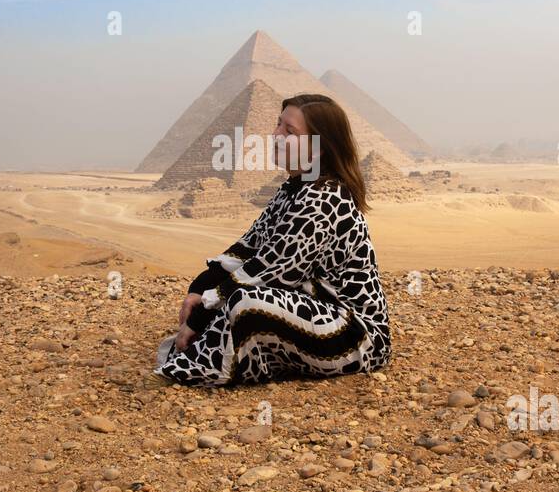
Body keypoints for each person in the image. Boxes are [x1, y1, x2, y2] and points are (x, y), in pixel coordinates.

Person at [154, 93, 392, 386]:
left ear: (318, 148)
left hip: (354, 333)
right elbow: (247, 249)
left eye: (289, 131)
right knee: (230, 300)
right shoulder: (293, 190)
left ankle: (229, 360)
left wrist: (199, 316)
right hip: (313, 312)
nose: (275, 135)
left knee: (243, 302)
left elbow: (272, 272)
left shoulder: (324, 198)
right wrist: (199, 290)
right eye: (278, 124)